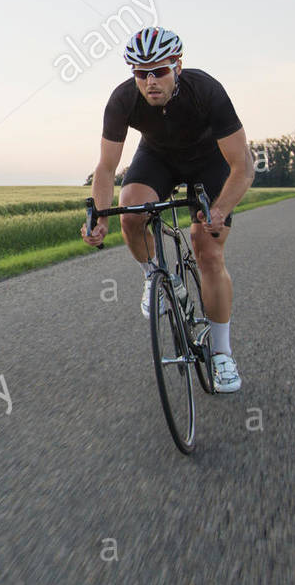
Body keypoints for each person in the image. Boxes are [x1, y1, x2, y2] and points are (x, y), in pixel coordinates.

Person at [80, 26, 252, 393]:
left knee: (208, 252)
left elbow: (243, 165)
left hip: (210, 162)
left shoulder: (206, 91)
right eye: (141, 74)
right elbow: (107, 168)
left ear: (177, 66)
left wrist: (220, 209)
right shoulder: (123, 100)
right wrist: (96, 216)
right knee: (130, 213)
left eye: (159, 71)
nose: (150, 81)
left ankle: (222, 354)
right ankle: (155, 277)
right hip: (157, 159)